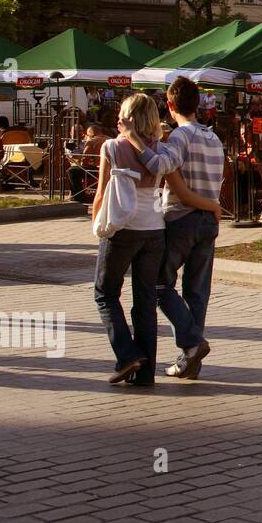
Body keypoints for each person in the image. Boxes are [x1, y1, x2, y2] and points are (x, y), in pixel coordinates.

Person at [94, 93, 218, 387]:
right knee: (145, 300)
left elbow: (100, 195)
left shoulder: (111, 147)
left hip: (122, 227)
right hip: (154, 229)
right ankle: (145, 372)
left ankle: (127, 355)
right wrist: (212, 205)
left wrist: (97, 226)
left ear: (125, 117)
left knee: (105, 293)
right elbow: (172, 182)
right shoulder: (161, 151)